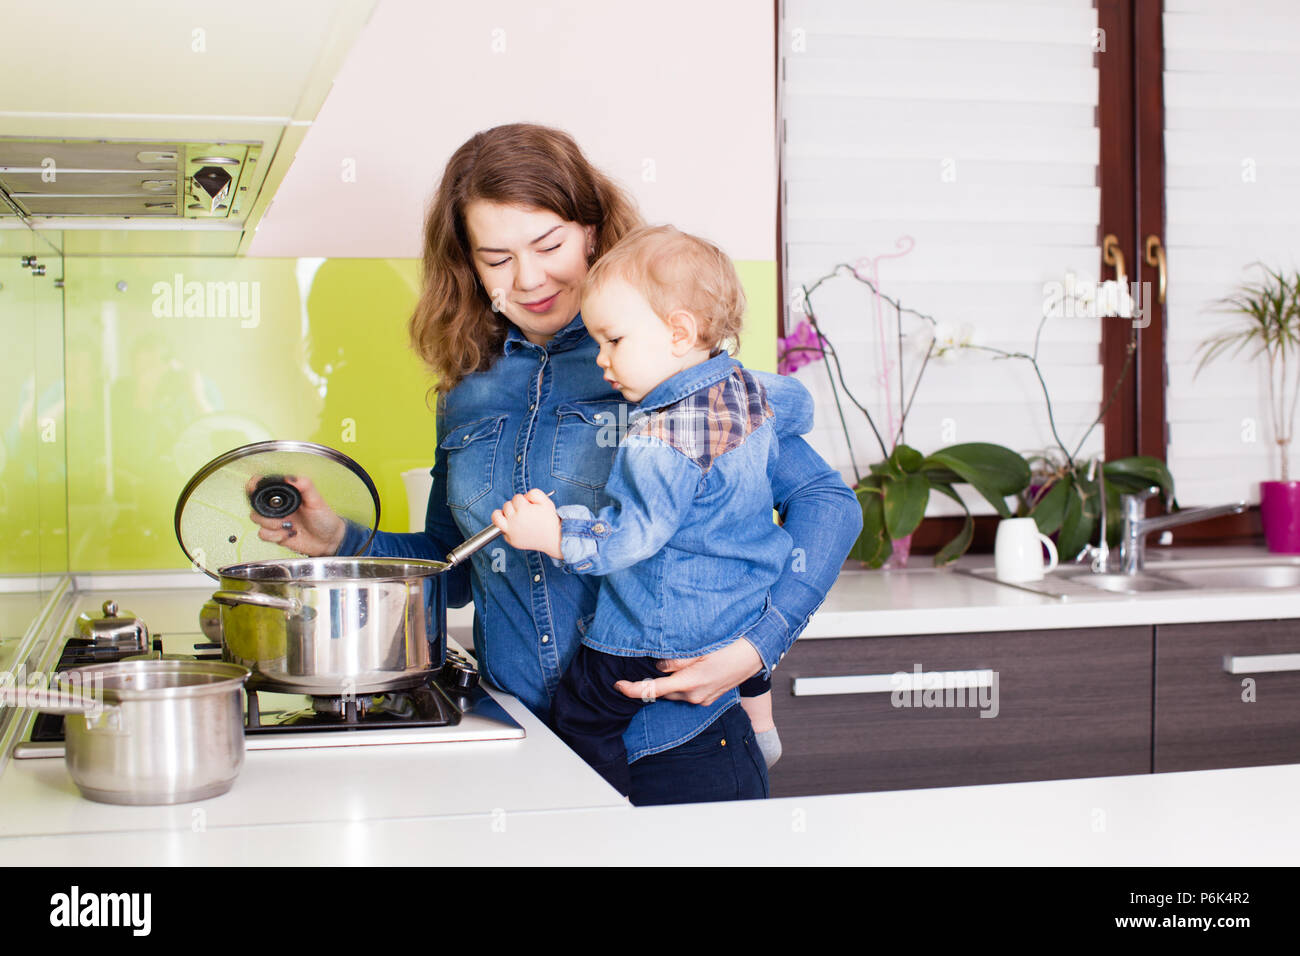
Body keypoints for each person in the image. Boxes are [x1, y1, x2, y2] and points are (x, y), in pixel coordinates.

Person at [247, 123, 862, 806]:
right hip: (522, 748)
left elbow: (826, 502)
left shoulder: (660, 360)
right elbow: (453, 570)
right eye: (497, 258)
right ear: (469, 266)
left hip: (678, 747)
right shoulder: (468, 389)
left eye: (549, 245)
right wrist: (339, 539)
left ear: (592, 232)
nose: (531, 278)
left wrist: (756, 649)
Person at [489, 224, 814, 796]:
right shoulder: (745, 389)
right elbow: (799, 405)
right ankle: (759, 718)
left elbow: (627, 541)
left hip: (662, 630)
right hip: (742, 605)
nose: (601, 360)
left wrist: (552, 532)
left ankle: (606, 817)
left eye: (613, 341)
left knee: (582, 716)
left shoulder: (658, 440)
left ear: (679, 332)